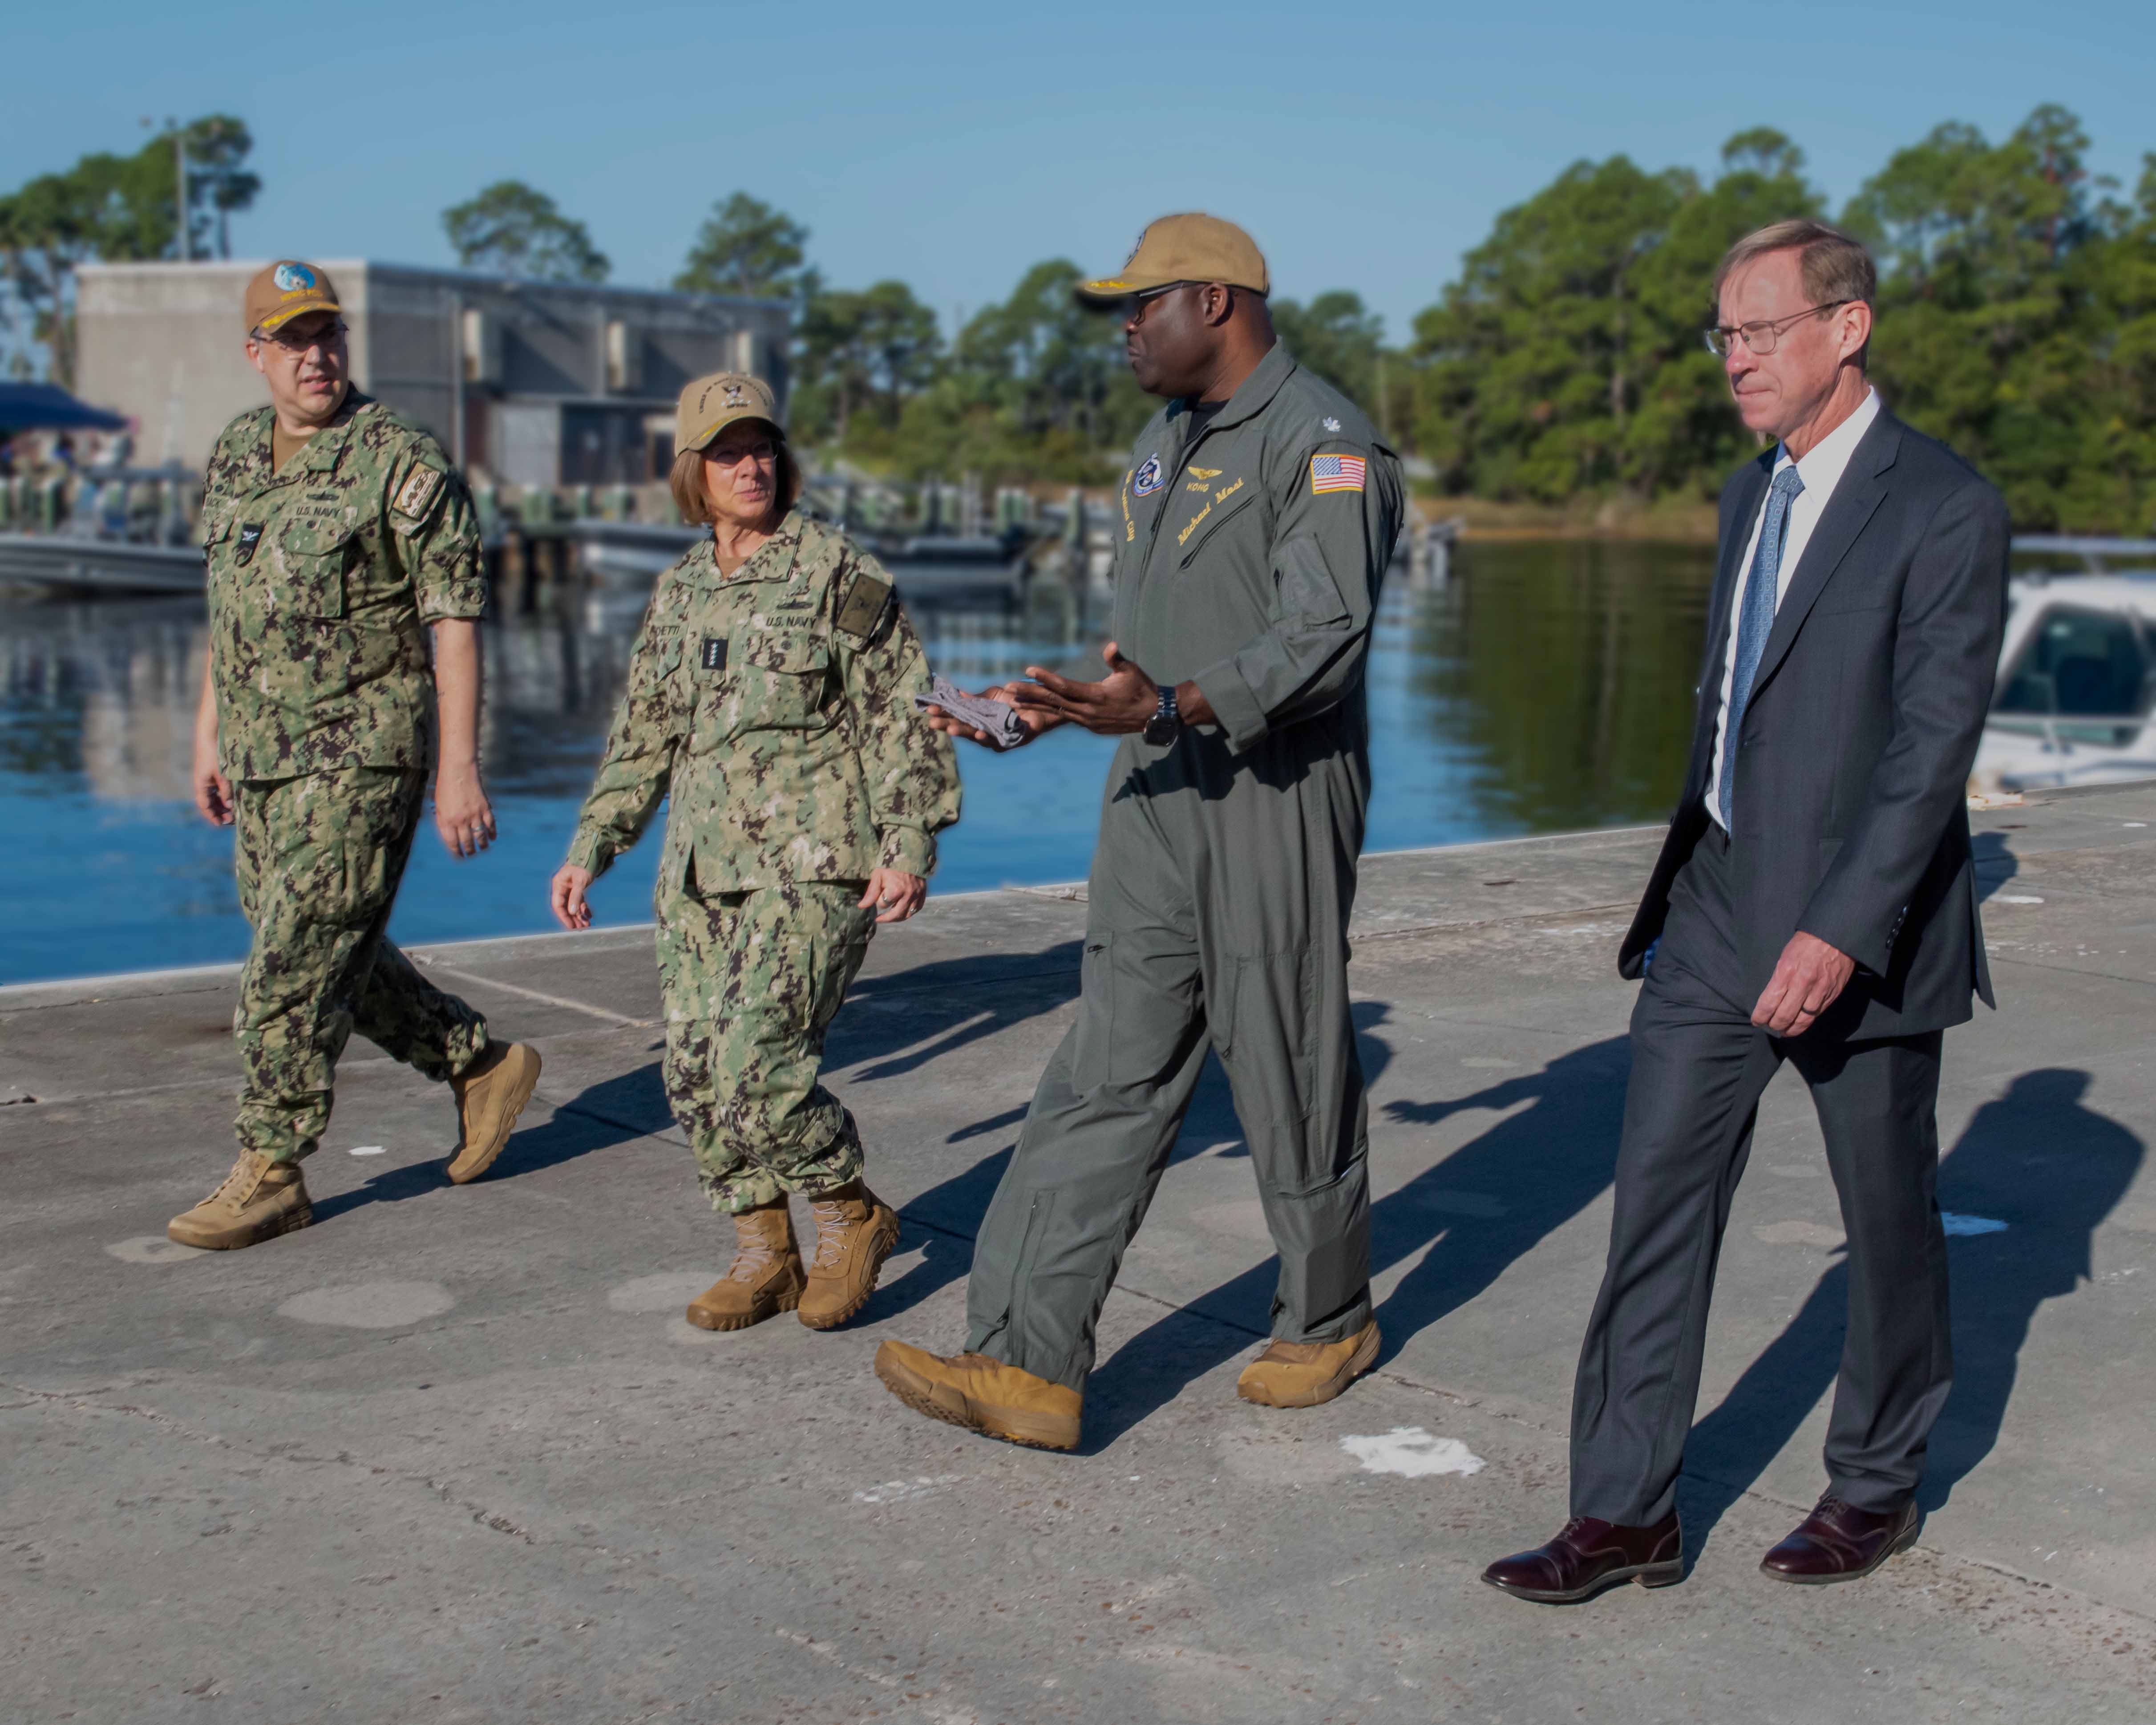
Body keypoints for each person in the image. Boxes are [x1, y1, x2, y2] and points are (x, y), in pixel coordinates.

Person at [1484, 220, 2009, 1603]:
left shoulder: (1943, 505)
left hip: (1859, 926)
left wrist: (1838, 927)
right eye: (1721, 332)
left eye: (1758, 328)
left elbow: (1928, 748)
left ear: (1846, 329)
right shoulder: (1744, 496)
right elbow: (1736, 710)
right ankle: (1622, 1509)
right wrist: (1698, 876)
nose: (1733, 358)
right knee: (1653, 1197)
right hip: (1715, 905)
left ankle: (1875, 1479)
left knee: (1882, 1215)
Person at [874, 214, 1406, 1451]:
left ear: (1214, 303)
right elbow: (1141, 651)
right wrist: (1050, 698)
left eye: (1140, 305)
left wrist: (1163, 703)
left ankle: (1327, 1315)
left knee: (1282, 1060)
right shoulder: (1159, 449)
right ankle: (1023, 1361)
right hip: (1156, 790)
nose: (1123, 330)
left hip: (1272, 792)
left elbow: (1315, 646)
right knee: (1103, 1065)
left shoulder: (1324, 444)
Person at [550, 372, 960, 1333]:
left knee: (756, 1068)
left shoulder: (835, 573)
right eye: (729, 452)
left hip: (813, 863)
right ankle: (761, 1249)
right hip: (699, 870)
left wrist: (907, 844)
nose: (751, 466)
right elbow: (643, 734)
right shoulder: (682, 589)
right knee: (692, 1077)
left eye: (763, 446)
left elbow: (903, 715)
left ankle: (850, 1212)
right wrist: (592, 844)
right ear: (693, 471)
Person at [169, 260, 542, 1252]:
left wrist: (457, 767)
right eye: (292, 341)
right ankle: (477, 1064)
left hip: (364, 755)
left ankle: (272, 1165)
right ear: (257, 356)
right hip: (262, 760)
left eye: (328, 335)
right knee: (327, 947)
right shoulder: (240, 454)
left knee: (288, 968)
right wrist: (207, 732)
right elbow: (229, 612)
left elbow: (453, 621)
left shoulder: (399, 461)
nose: (316, 357)